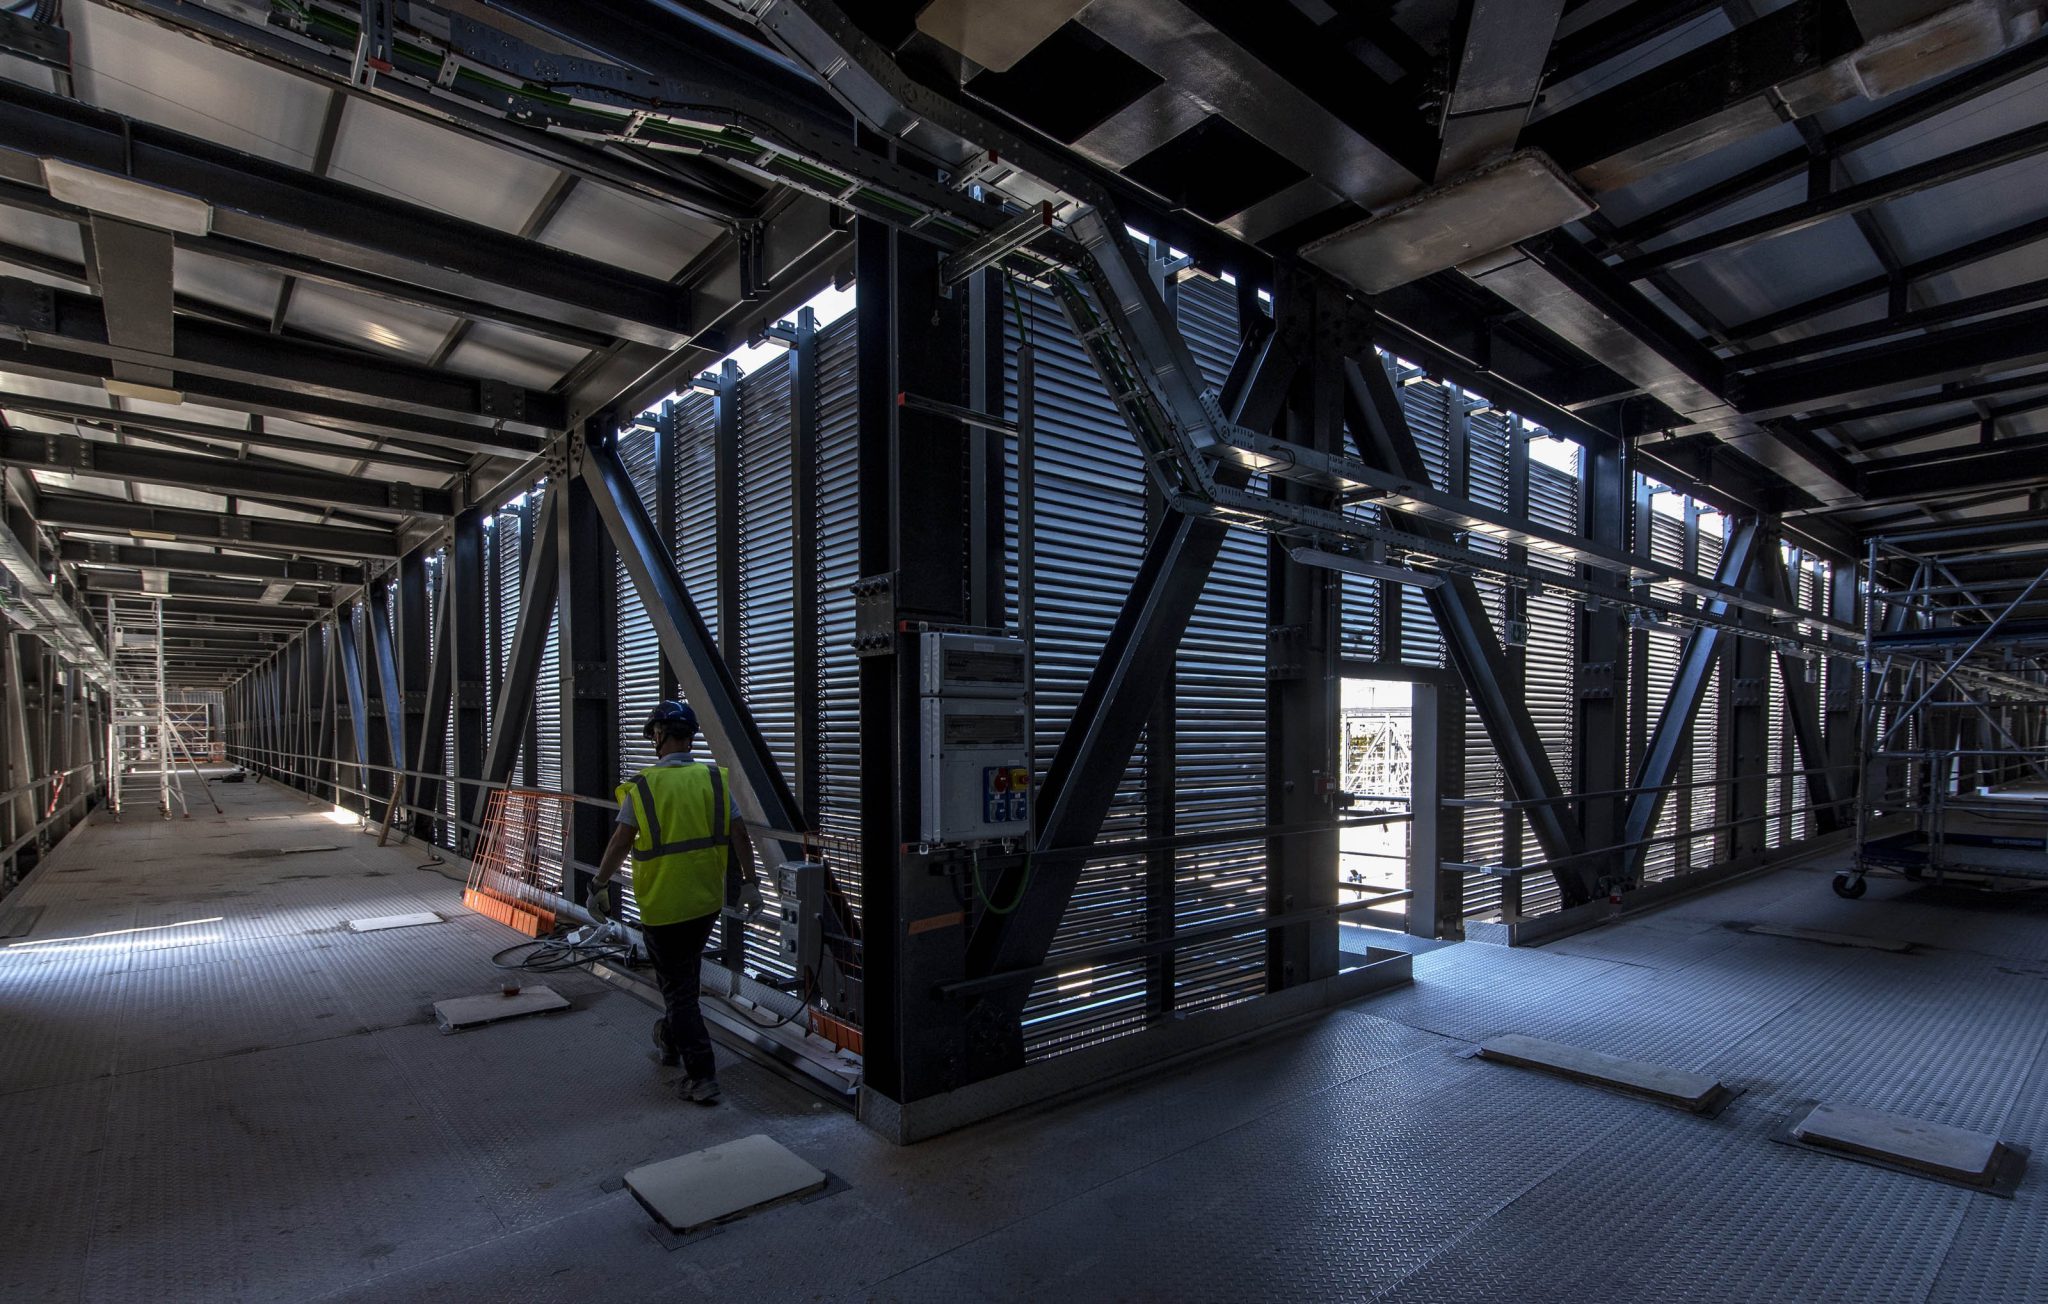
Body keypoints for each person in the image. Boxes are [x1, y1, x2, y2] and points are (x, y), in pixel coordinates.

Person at [585, 700, 764, 1105]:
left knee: (679, 990)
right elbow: (740, 835)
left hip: (663, 905)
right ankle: (669, 1038)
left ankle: (701, 1075)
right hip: (704, 903)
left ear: (660, 735)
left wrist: (598, 884)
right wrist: (751, 884)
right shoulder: (715, 780)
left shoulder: (644, 786)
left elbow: (620, 841)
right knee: (681, 979)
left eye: (654, 733)